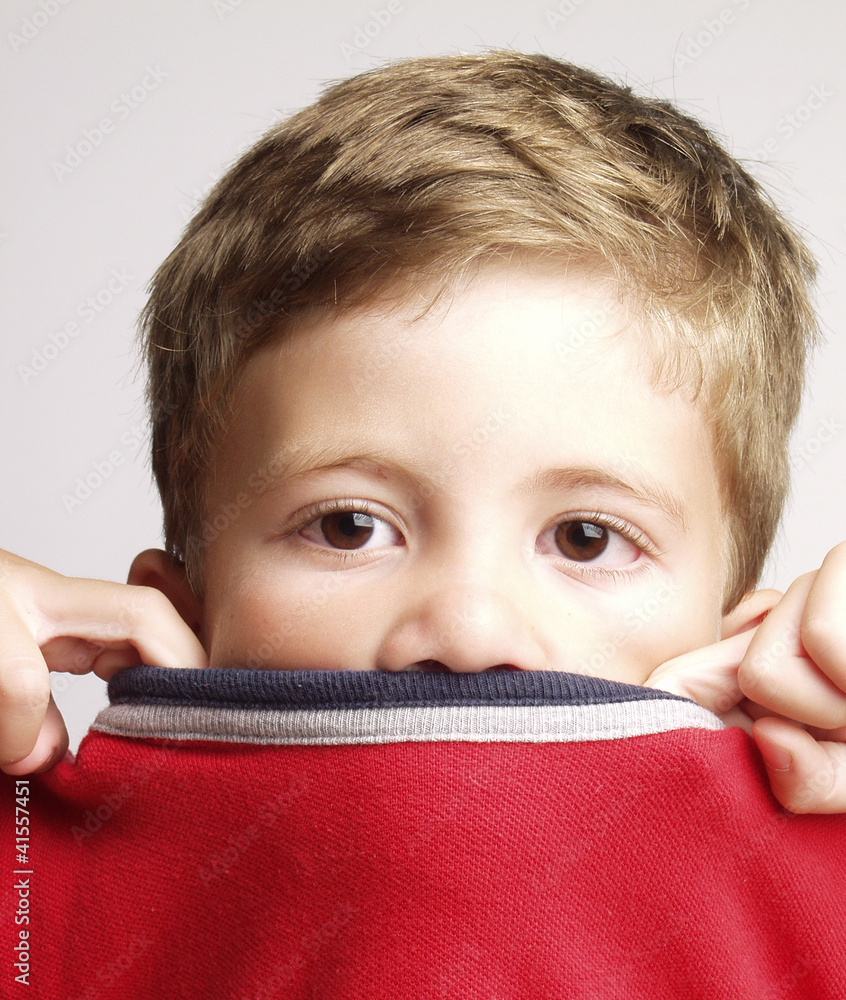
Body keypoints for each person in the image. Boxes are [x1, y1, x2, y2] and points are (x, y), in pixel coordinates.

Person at [1, 51, 844, 996]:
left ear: (742, 639)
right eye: (349, 527)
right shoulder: (35, 889)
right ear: (180, 611)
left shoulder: (821, 894)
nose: (468, 630)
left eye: (586, 537)